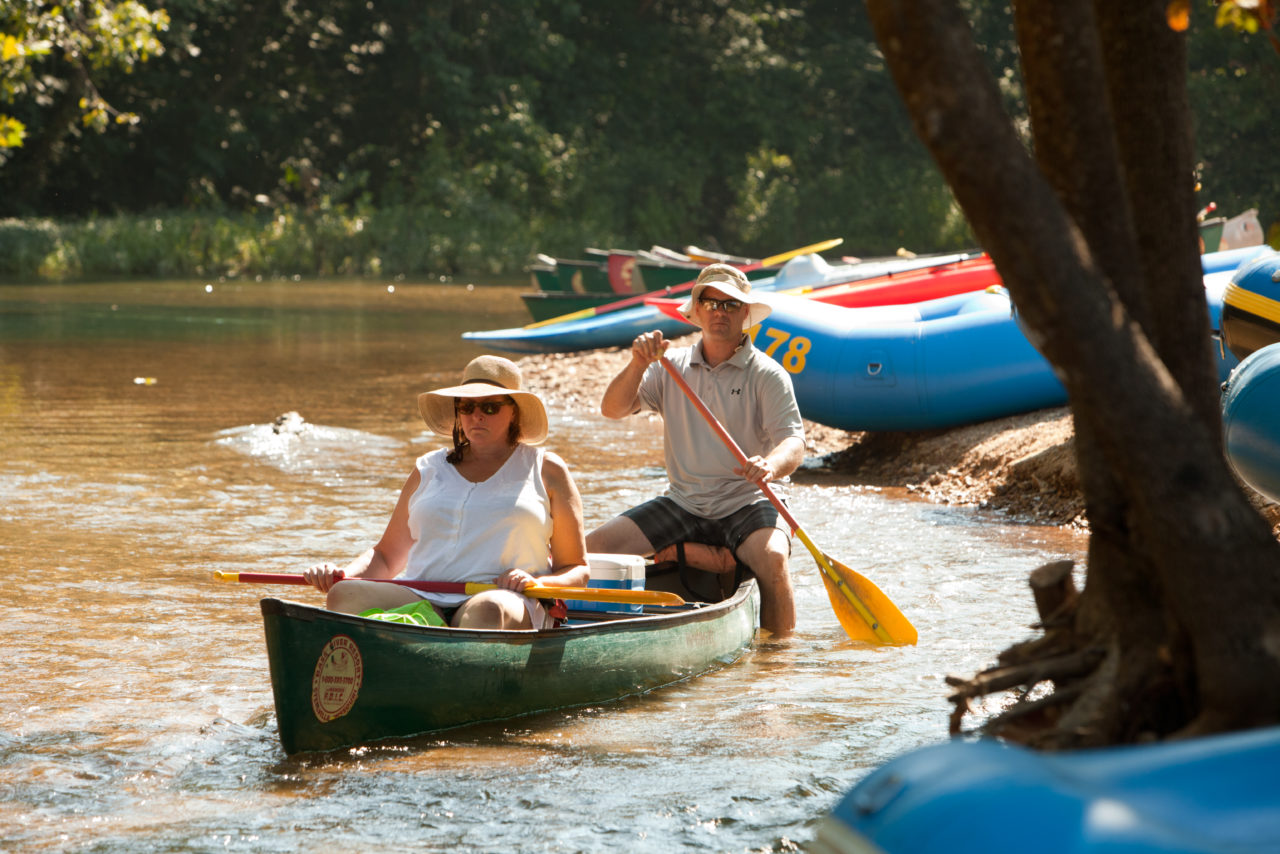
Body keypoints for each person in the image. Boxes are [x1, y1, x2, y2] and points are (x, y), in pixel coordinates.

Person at [586, 263, 806, 636]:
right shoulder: (669, 366)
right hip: (685, 500)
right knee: (589, 551)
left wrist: (768, 465)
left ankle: (778, 661)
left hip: (749, 499)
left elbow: (794, 442)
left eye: (730, 304)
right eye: (711, 302)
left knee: (771, 560)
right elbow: (612, 410)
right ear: (697, 310)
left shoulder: (767, 374)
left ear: (745, 314)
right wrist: (637, 364)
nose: (720, 311)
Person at [303, 355, 590, 630]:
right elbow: (386, 558)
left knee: (487, 610)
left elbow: (576, 569)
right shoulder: (427, 468)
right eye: (466, 407)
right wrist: (339, 576)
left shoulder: (547, 469)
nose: (476, 416)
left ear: (514, 411)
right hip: (423, 596)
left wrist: (537, 583)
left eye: (489, 407)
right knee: (344, 595)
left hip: (505, 599)